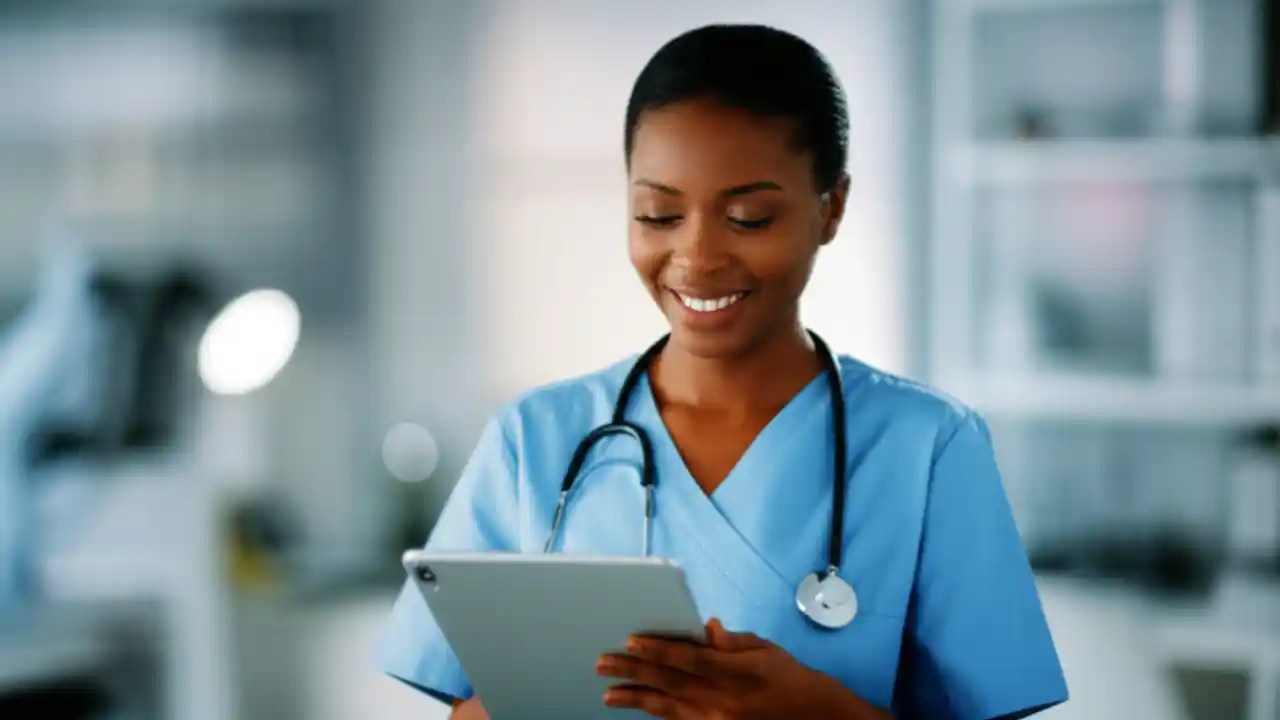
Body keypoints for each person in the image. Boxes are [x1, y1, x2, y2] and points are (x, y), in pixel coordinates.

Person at [374, 23, 1068, 720]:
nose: (697, 257)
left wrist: (814, 712)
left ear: (832, 208)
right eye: (659, 213)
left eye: (748, 217)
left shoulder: (929, 447)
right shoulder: (536, 438)